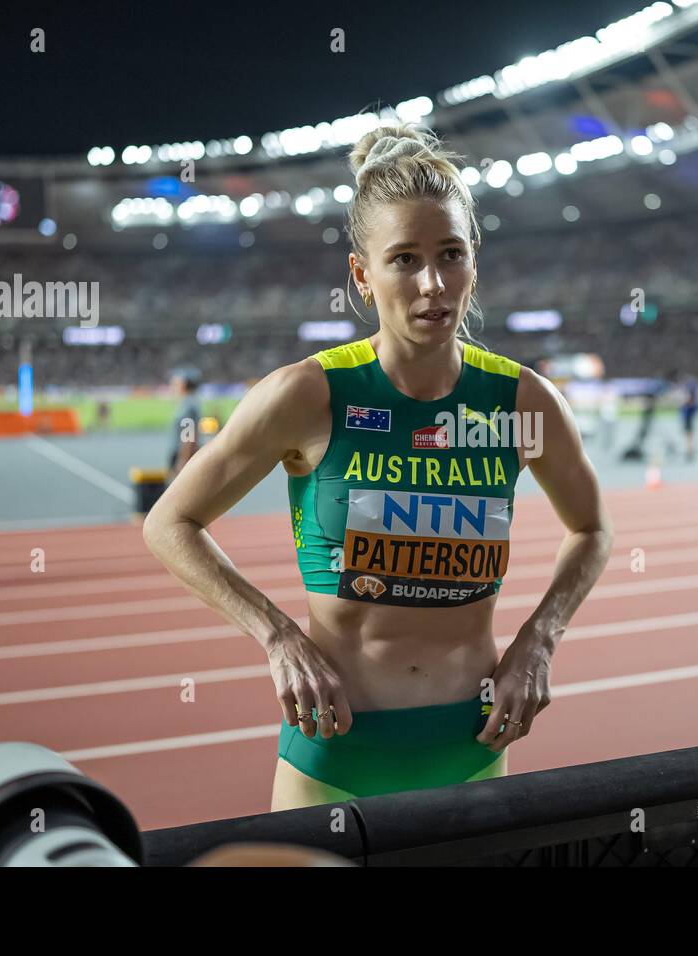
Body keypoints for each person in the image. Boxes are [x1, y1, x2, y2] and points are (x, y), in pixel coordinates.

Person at [143, 123, 612, 811]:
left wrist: (539, 640)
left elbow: (592, 527)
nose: (432, 283)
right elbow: (170, 522)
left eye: (451, 254)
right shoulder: (307, 395)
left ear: (474, 261)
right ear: (362, 275)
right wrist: (278, 639)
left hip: (472, 747)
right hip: (336, 752)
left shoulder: (520, 401)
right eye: (404, 259)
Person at [167, 366, 203, 479]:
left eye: (176, 382)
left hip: (183, 455)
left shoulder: (188, 405)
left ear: (184, 384)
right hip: (182, 454)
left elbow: (188, 438)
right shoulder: (188, 403)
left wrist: (182, 461)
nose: (173, 385)